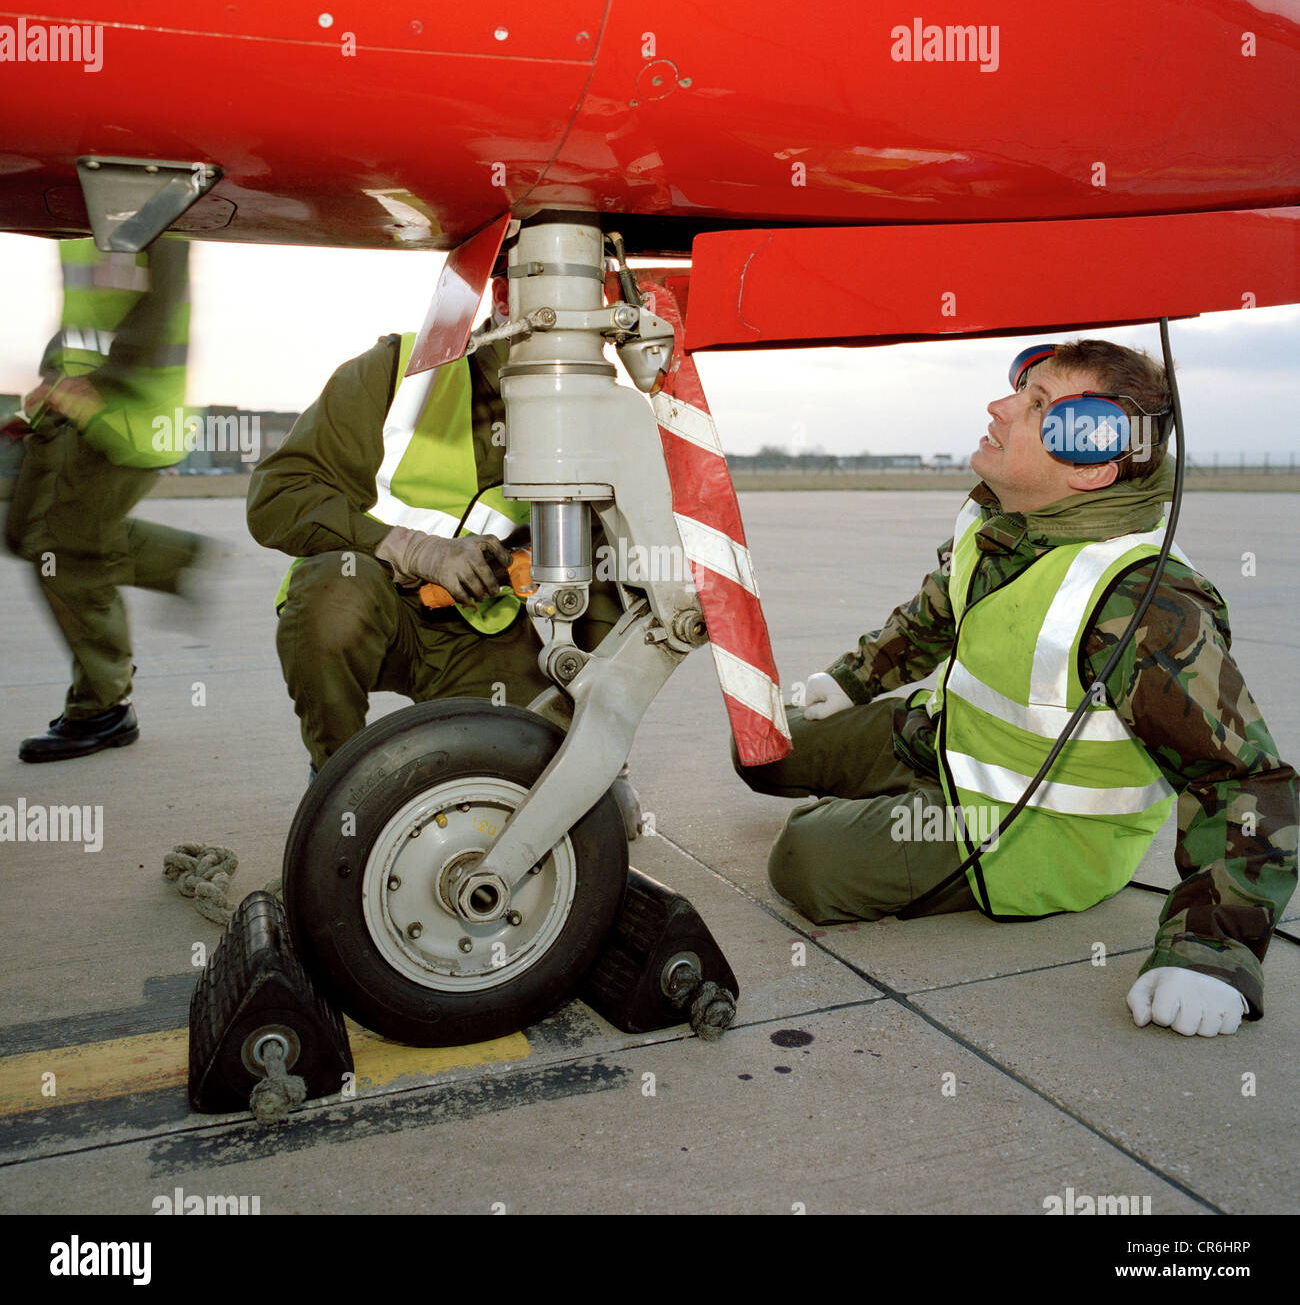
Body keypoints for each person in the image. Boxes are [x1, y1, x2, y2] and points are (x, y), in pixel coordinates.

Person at [735, 338, 1297, 1039]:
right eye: (1018, 391)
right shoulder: (1003, 526)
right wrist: (849, 682)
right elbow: (933, 616)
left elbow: (1248, 781)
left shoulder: (1142, 602)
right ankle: (893, 796)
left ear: (1090, 462)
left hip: (1029, 828)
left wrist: (1212, 950)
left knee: (805, 861)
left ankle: (900, 819)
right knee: (761, 746)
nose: (999, 408)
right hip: (944, 741)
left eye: (1036, 406)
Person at [247, 278, 625, 781]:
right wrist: (414, 550)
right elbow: (277, 497)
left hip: (487, 631)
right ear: (504, 301)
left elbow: (604, 574)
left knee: (527, 782)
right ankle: (338, 783)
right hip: (380, 606)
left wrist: (595, 739)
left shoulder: (591, 417)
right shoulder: (404, 372)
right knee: (333, 596)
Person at [6, 235, 205, 762]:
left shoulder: (142, 198)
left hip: (122, 413)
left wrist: (98, 380)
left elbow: (161, 307)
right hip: (70, 404)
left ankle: (103, 707)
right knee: (25, 536)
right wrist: (52, 379)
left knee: (64, 557)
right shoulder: (79, 203)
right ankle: (175, 559)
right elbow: (82, 315)